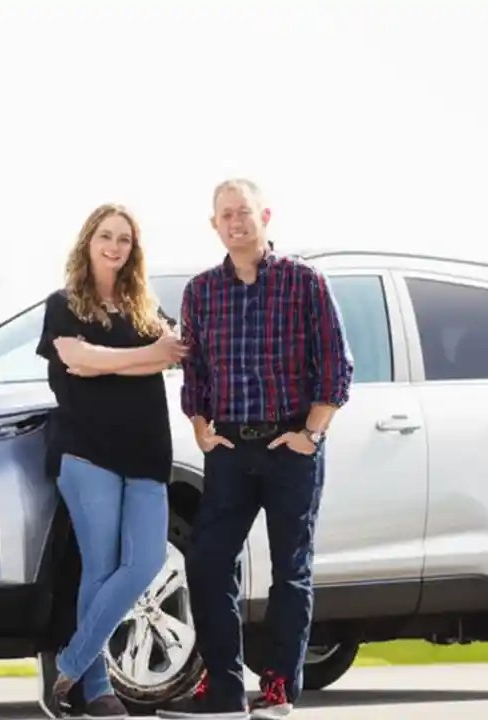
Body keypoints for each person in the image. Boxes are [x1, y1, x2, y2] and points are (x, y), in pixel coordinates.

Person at [157, 179, 354, 720]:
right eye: (225, 215)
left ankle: (278, 691)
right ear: (214, 225)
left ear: (265, 215)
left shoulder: (305, 282)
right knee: (209, 562)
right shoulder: (201, 292)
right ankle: (223, 690)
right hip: (229, 451)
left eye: (244, 212)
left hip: (291, 448)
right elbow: (193, 370)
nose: (235, 222)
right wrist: (199, 426)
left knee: (290, 571)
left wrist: (310, 433)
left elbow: (337, 366)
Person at [34, 202, 189, 719]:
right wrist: (143, 359)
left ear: (133, 249)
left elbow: (173, 352)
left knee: (144, 560)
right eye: (106, 235)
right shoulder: (63, 305)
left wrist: (109, 363)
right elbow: (76, 360)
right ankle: (97, 690)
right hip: (86, 451)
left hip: (146, 452)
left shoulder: (147, 308)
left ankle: (71, 663)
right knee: (98, 569)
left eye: (124, 238)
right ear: (88, 241)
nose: (115, 246)